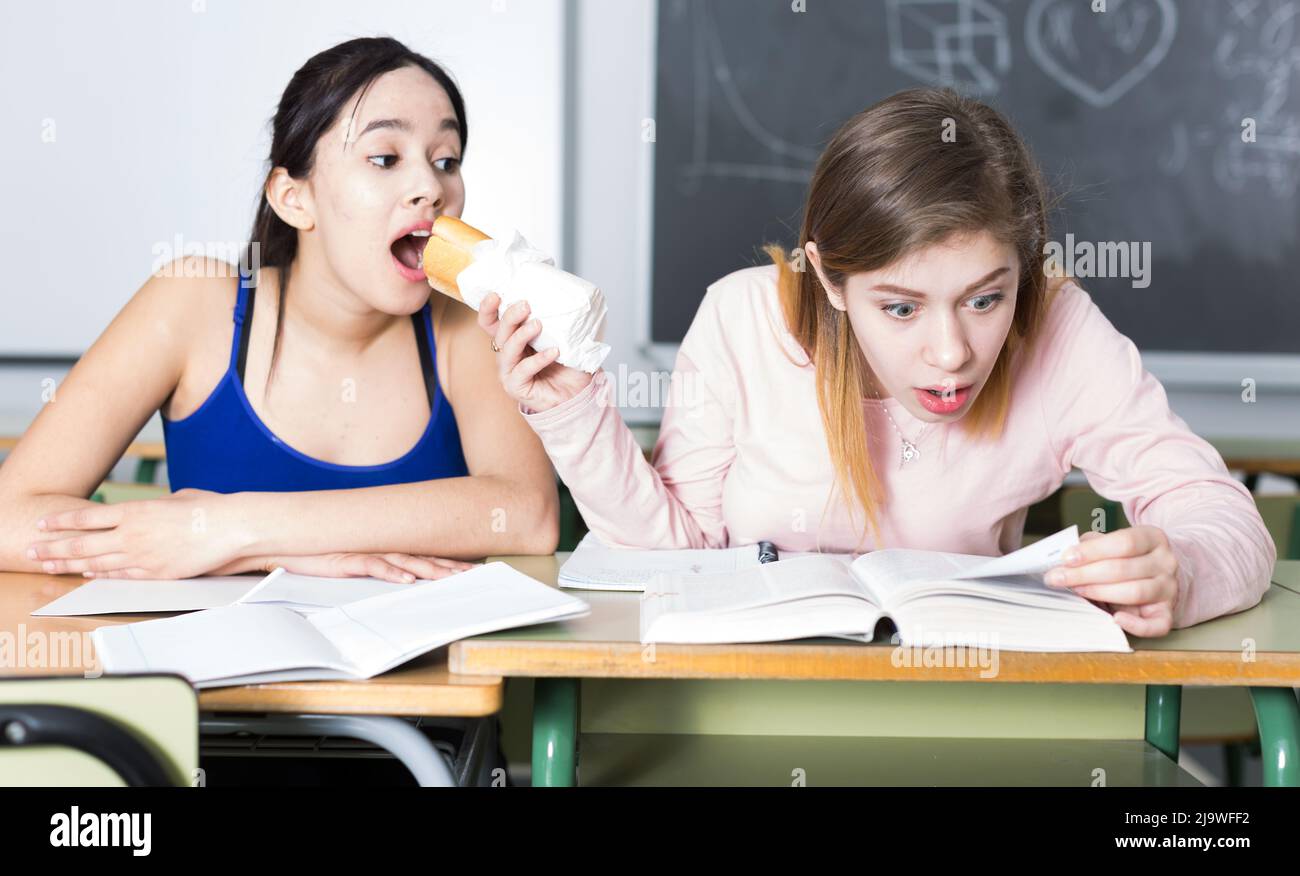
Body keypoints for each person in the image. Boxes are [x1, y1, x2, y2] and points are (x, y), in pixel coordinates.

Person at [479, 88, 1274, 636]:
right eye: (899, 307)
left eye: (985, 299)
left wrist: (1184, 569)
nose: (952, 352)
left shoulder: (1057, 325)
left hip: (967, 708)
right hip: (742, 705)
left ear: (1023, 271)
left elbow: (1221, 515)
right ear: (828, 276)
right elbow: (671, 553)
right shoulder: (743, 316)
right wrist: (573, 410)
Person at [0, 37, 559, 581]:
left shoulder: (466, 321)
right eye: (386, 157)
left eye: (446, 160)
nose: (431, 188)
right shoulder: (192, 300)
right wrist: (284, 555)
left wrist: (233, 531)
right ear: (294, 198)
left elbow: (527, 515)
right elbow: (8, 520)